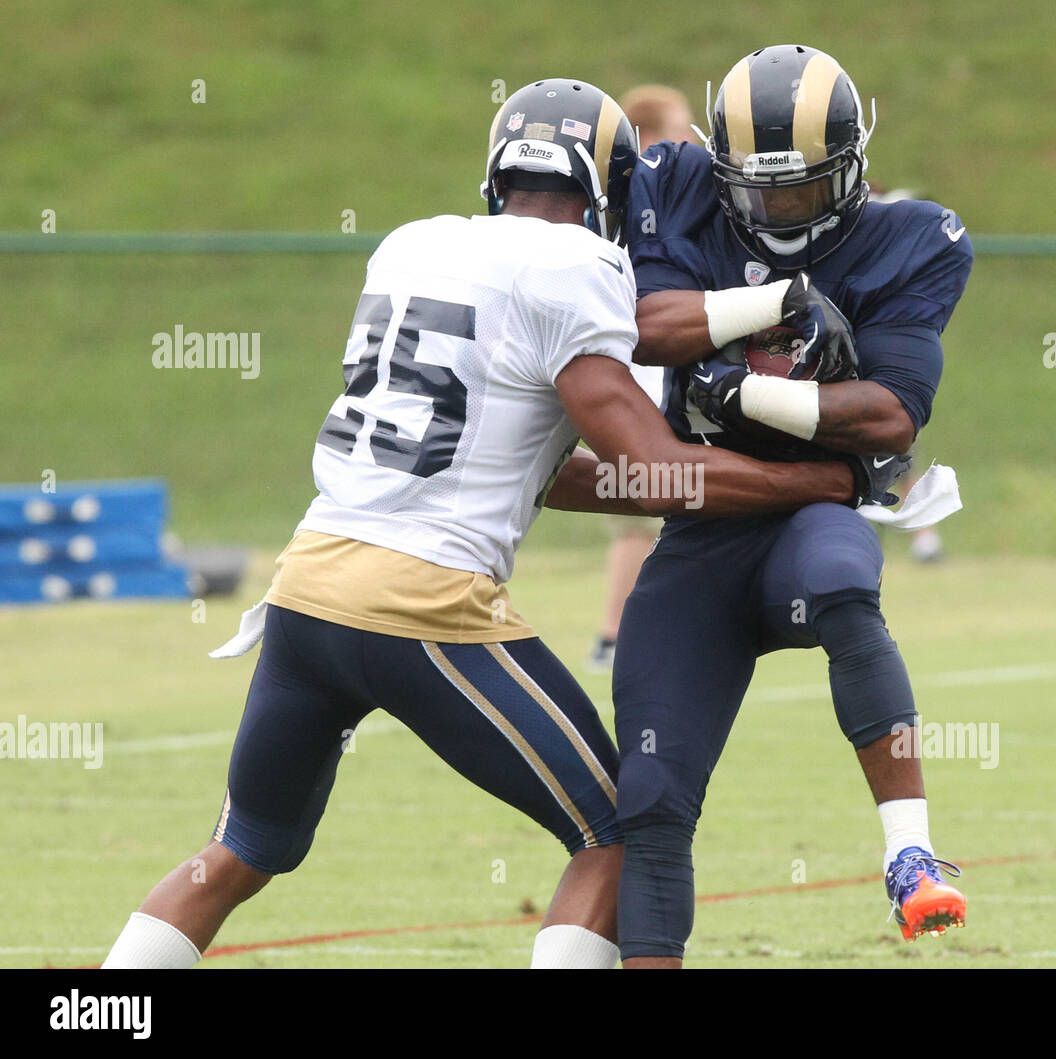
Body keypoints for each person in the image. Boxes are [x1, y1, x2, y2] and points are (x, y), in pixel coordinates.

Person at [100, 77, 864, 971]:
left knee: (239, 851)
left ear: (497, 174)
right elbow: (656, 465)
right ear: (609, 187)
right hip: (422, 602)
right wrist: (824, 481)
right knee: (621, 829)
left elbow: (555, 474)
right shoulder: (576, 267)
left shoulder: (412, 246)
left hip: (307, 588)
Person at [613, 44, 974, 967]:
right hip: (704, 523)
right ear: (718, 165)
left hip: (807, 520)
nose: (776, 209)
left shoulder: (913, 237)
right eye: (760, 190)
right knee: (649, 801)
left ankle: (909, 851)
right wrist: (786, 297)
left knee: (842, 576)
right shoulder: (677, 181)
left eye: (802, 191)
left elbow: (891, 413)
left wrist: (741, 396)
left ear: (850, 168)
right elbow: (646, 327)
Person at [588, 85, 698, 671]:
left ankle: (625, 634)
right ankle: (616, 635)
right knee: (645, 510)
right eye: (679, 129)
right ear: (649, 138)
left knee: (648, 515)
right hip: (629, 383)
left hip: (629, 381)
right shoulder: (634, 206)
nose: (690, 140)